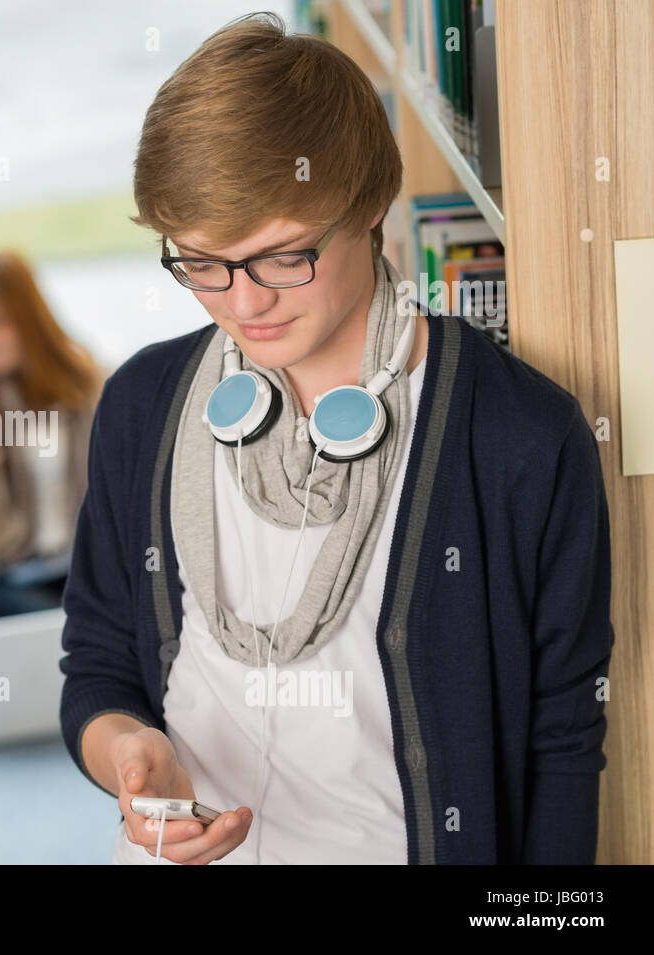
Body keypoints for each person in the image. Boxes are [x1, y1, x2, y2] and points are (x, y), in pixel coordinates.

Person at [59, 13, 613, 865]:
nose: (244, 305)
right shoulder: (143, 406)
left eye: (285, 256)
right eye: (202, 262)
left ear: (370, 207)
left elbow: (562, 741)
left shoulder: (519, 437)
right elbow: (96, 662)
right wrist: (128, 754)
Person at [0, 251, 105, 620]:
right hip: (16, 572)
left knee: (98, 610)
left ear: (29, 320)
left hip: (83, 564)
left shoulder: (90, 387)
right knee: (47, 617)